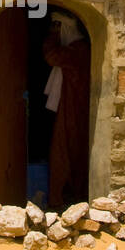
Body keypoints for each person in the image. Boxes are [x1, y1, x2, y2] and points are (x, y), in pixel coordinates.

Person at [42, 11, 90, 210]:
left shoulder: (77, 50)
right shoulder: (78, 49)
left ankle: (60, 200)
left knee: (64, 152)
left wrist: (52, 36)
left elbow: (51, 55)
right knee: (71, 152)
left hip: (73, 109)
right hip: (73, 107)